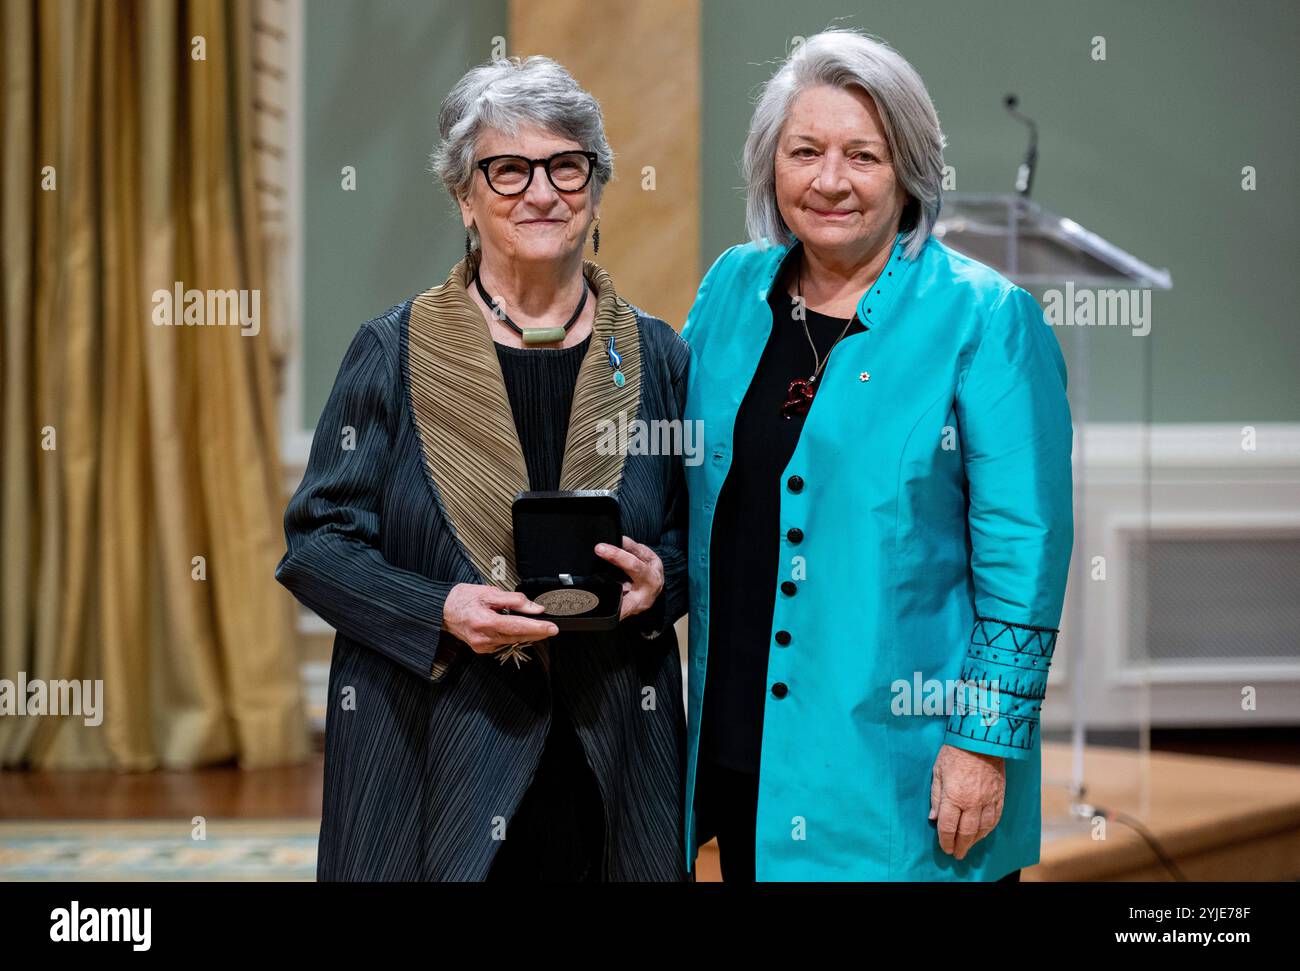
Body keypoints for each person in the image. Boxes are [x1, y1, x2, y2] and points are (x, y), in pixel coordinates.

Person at [277, 56, 690, 881]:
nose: (542, 192)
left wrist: (659, 581)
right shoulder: (390, 350)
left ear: (596, 187)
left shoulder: (654, 354)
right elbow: (317, 543)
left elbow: (698, 535)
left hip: (609, 735)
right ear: (465, 197)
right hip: (434, 741)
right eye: (508, 170)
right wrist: (441, 608)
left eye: (566, 165)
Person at [682, 29, 1073, 881]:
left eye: (864, 154)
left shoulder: (985, 317)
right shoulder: (730, 292)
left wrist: (983, 740)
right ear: (769, 166)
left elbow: (1026, 549)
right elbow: (697, 492)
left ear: (910, 172)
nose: (830, 180)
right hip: (744, 745)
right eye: (805, 151)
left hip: (904, 768)